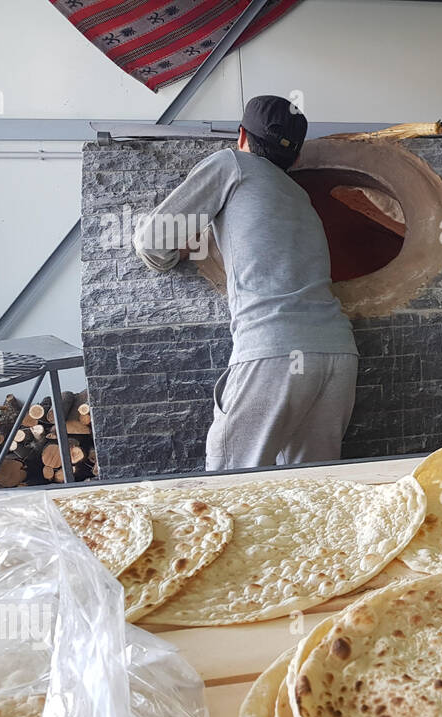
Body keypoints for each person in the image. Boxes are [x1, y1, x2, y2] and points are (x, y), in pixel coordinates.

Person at [133, 95, 359, 470]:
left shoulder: (233, 165)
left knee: (230, 483)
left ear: (241, 137)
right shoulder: (301, 197)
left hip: (274, 352)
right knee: (314, 494)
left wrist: (175, 253)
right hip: (338, 356)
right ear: (297, 158)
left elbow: (151, 241)